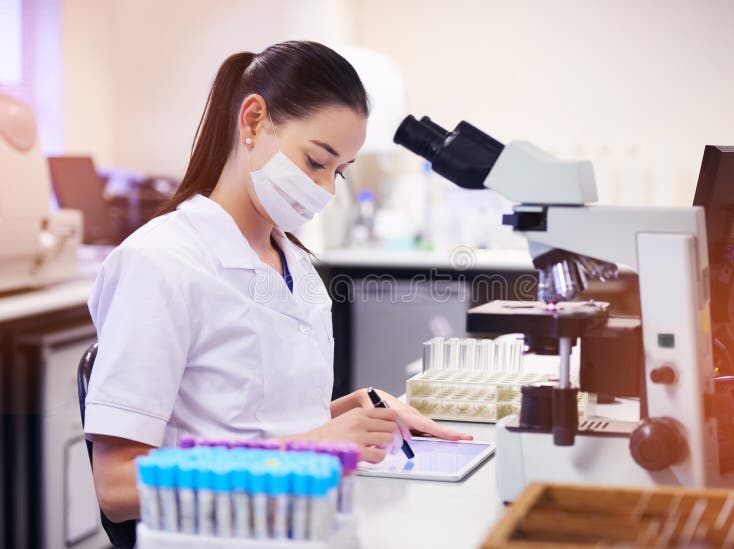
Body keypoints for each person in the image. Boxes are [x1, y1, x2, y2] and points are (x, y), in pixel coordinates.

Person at [84, 41, 472, 523]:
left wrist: (353, 413)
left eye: (339, 173)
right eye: (315, 162)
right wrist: (309, 445)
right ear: (252, 121)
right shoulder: (159, 262)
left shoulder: (295, 266)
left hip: (305, 519)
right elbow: (118, 485)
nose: (325, 189)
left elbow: (249, 422)